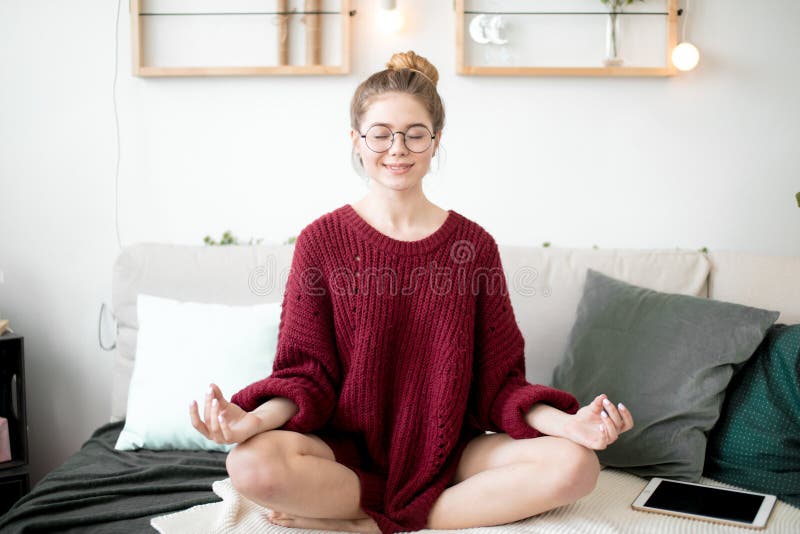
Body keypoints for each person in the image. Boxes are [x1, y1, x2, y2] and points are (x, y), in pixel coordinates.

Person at [189, 51, 634, 534]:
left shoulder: (473, 246)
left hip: (451, 448)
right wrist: (249, 423)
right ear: (357, 141)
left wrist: (571, 426)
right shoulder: (321, 241)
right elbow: (305, 376)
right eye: (380, 133)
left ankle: (366, 522)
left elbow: (500, 383)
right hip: (345, 452)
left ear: (436, 140)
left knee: (578, 466)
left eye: (414, 133)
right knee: (250, 465)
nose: (397, 148)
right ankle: (413, 508)